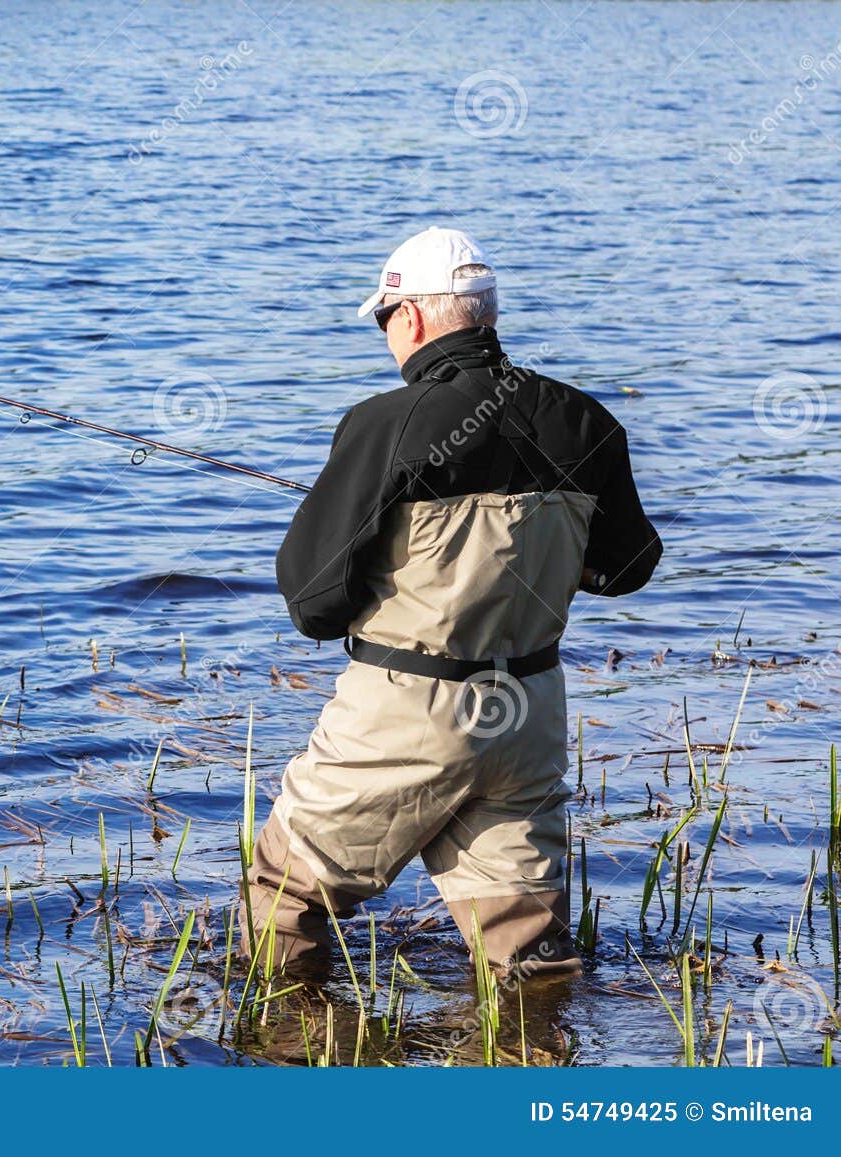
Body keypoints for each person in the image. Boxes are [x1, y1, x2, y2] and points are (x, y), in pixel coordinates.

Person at [245, 226, 662, 978]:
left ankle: (280, 1058)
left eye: (383, 321)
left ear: (409, 318)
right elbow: (631, 565)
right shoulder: (586, 420)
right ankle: (533, 1073)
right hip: (528, 715)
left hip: (407, 713)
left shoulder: (385, 425)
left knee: (286, 896)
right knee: (528, 953)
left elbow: (311, 601)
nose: (385, 337)